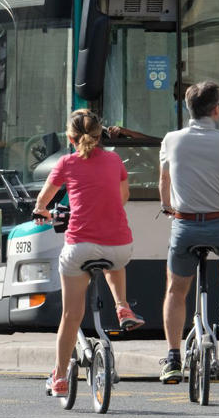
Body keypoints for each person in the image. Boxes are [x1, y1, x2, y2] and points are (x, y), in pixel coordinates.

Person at [33, 109, 145, 397]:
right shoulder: (115, 160)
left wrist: (41, 211)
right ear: (100, 135)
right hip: (120, 246)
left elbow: (44, 198)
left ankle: (59, 377)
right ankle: (122, 307)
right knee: (114, 258)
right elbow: (123, 197)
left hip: (80, 247)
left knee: (71, 315)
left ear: (70, 138)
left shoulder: (66, 163)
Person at [158, 80, 219, 384]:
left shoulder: (171, 140)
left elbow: (164, 183)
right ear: (216, 110)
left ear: (190, 109)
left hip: (185, 226)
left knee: (176, 290)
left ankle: (172, 358)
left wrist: (168, 208)